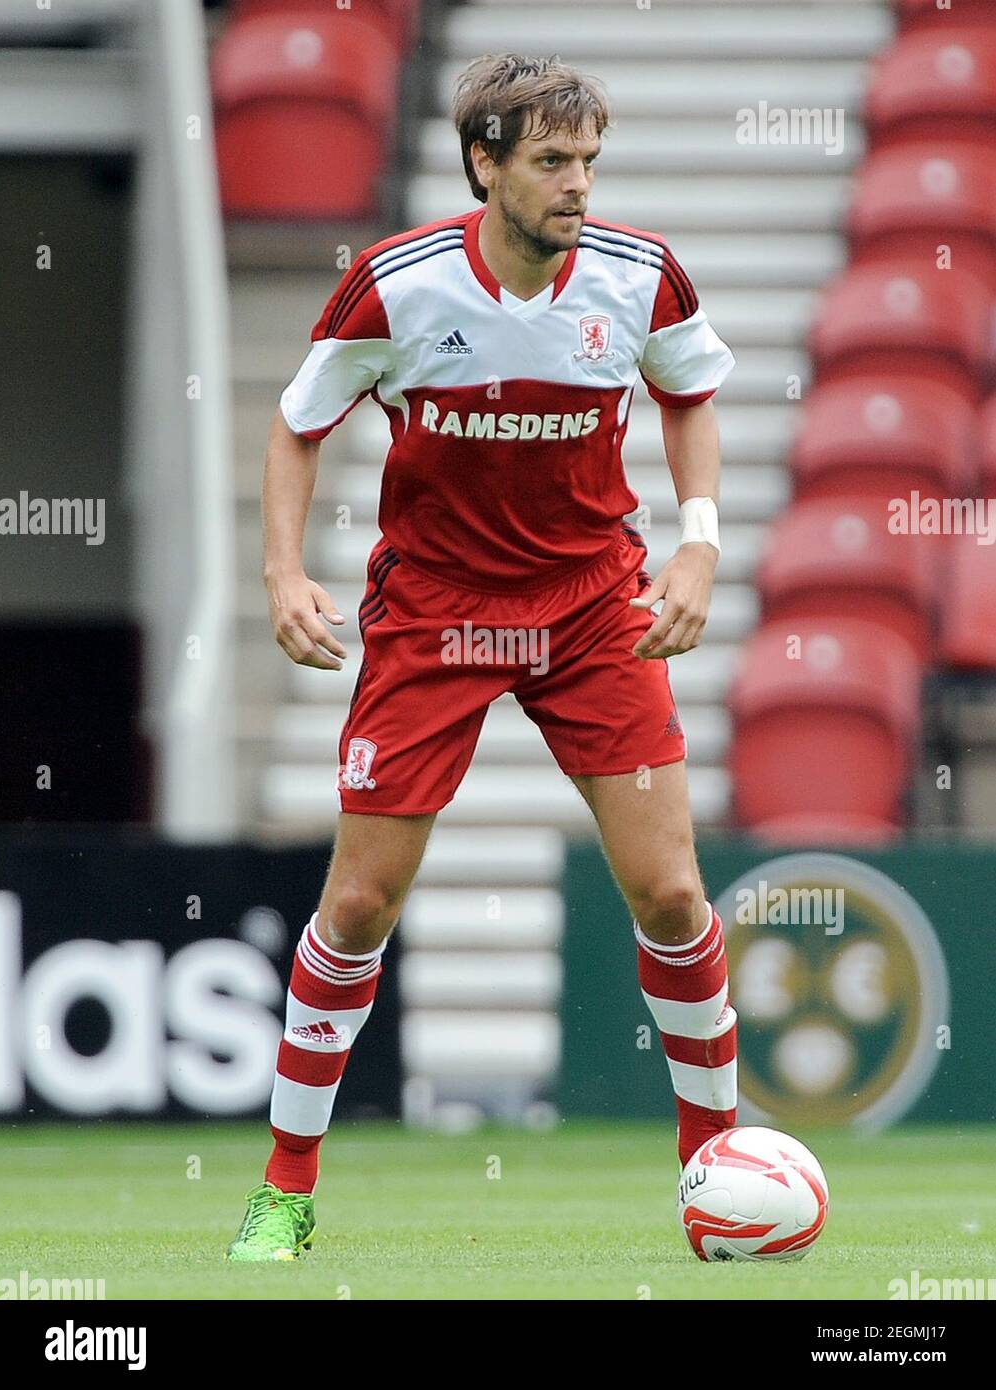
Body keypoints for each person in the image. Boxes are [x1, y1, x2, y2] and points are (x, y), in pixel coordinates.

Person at [227, 52, 737, 1262]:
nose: (577, 185)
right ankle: (284, 1191)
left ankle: (715, 1179)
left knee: (669, 892)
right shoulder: (392, 288)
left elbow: (690, 396)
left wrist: (698, 546)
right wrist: (281, 572)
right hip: (436, 609)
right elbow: (297, 428)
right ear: (483, 165)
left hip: (589, 603)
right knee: (356, 904)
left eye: (587, 162)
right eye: (552, 162)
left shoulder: (639, 275)